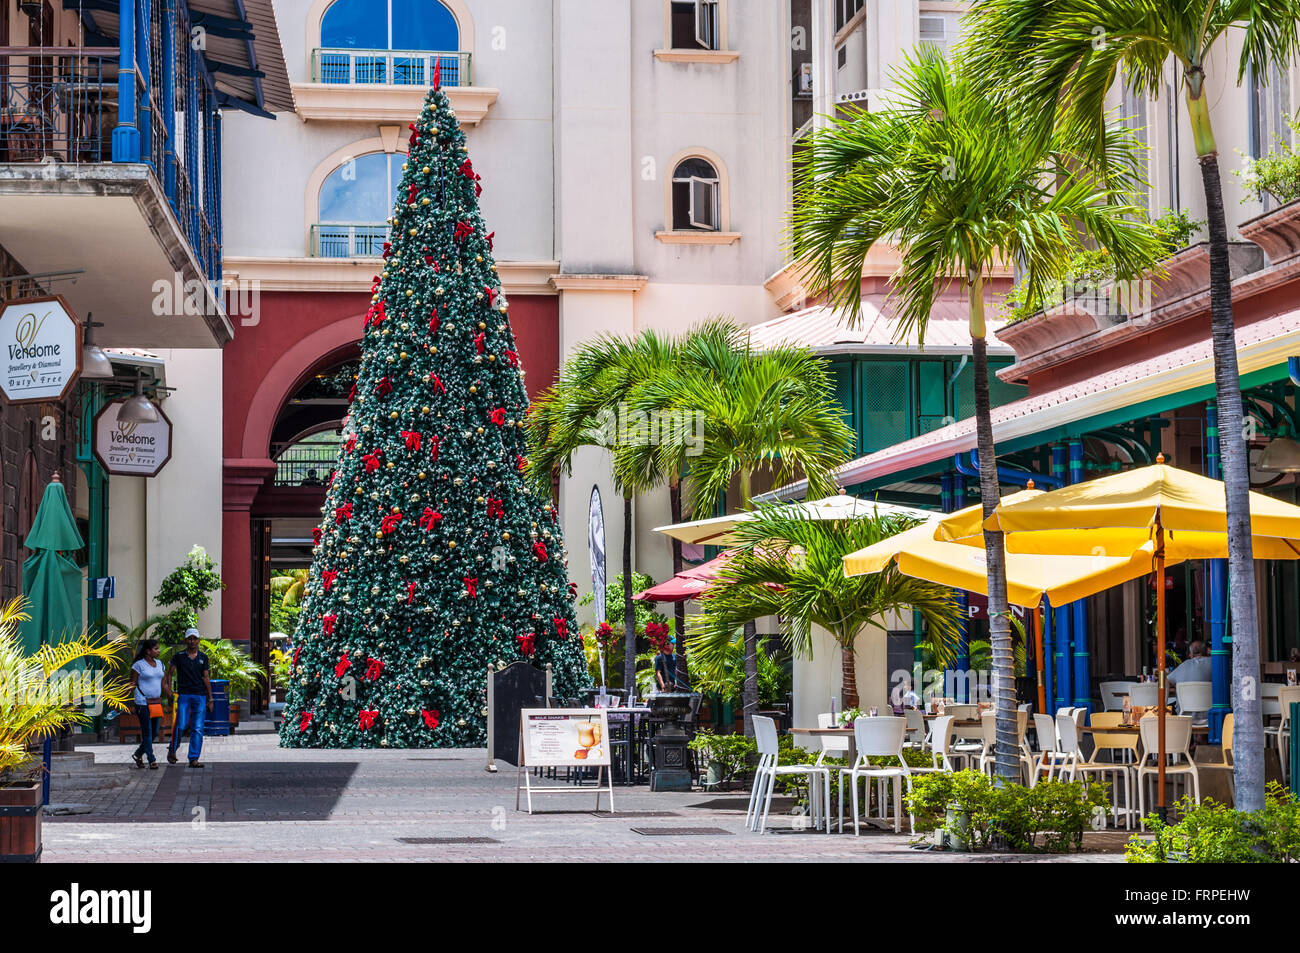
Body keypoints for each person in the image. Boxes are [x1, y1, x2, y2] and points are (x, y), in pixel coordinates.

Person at [166, 629, 212, 767]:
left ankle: (193, 758)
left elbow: (206, 677)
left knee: (197, 728)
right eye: (190, 639)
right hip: (184, 695)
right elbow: (170, 673)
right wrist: (169, 691)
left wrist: (211, 698)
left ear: (198, 640)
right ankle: (173, 748)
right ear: (186, 640)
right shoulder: (179, 656)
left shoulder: (203, 657)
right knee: (181, 724)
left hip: (199, 695)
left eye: (195, 638)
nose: (192, 641)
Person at [129, 638, 170, 769]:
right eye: (156, 649)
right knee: (147, 732)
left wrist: (171, 695)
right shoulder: (138, 665)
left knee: (154, 732)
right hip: (142, 702)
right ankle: (151, 759)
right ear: (148, 651)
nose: (158, 651)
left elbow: (164, 683)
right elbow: (132, 683)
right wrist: (122, 700)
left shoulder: (160, 664)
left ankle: (137, 754)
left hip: (156, 703)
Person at [1166, 640, 1212, 716]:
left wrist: (1177, 689)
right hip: (1210, 716)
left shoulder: (1184, 665)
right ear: (1207, 651)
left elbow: (1165, 682)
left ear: (1191, 654)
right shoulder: (1215, 664)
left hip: (1185, 717)